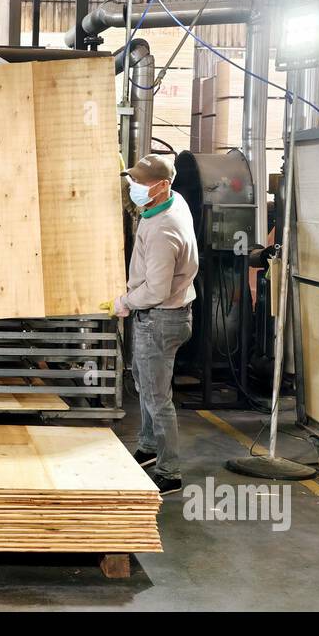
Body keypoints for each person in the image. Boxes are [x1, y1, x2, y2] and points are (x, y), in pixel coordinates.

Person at [102, 154, 199, 494]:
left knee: (158, 398)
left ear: (161, 185)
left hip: (159, 318)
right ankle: (148, 446)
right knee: (144, 383)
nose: (134, 189)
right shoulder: (172, 202)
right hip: (169, 314)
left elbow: (156, 290)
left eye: (140, 184)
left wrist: (125, 302)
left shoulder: (163, 230)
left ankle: (169, 473)